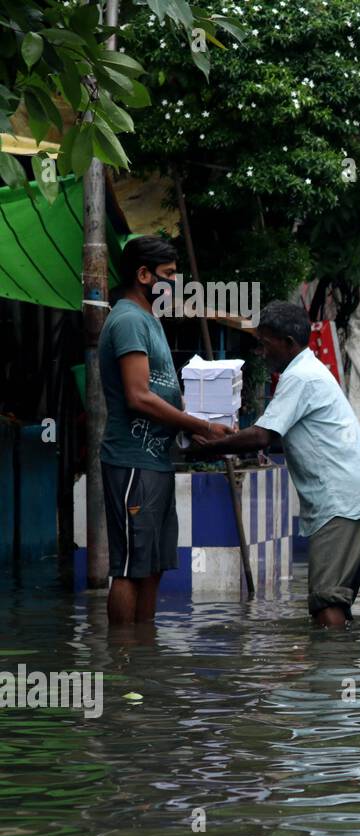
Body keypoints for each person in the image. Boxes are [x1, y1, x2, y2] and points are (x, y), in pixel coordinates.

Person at [192, 302, 360, 628]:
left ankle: (330, 674)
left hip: (341, 502)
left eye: (265, 343)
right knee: (334, 601)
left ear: (288, 343)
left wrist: (211, 448)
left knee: (326, 603)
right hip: (350, 498)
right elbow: (273, 433)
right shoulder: (308, 372)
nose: (260, 351)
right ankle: (339, 669)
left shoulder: (301, 378)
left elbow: (263, 436)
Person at [100, 236, 236, 625]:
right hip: (131, 463)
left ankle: (144, 656)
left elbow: (162, 392)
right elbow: (139, 397)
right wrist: (203, 424)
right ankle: (124, 662)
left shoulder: (151, 319)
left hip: (157, 462)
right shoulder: (127, 320)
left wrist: (196, 427)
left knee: (154, 565)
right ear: (143, 275)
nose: (176, 284)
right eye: (169, 276)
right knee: (129, 566)